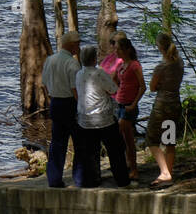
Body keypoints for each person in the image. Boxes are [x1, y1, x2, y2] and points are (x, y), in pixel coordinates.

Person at [74, 45, 131, 187]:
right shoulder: (99, 73)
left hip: (85, 119)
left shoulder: (79, 74)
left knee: (91, 152)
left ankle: (93, 180)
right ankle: (122, 180)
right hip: (103, 118)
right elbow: (113, 89)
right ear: (94, 58)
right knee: (115, 150)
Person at [41, 30, 84, 188]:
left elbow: (44, 83)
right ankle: (79, 178)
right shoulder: (72, 63)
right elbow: (75, 89)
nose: (79, 47)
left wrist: (52, 98)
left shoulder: (50, 60)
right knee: (79, 142)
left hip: (55, 103)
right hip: (70, 104)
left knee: (57, 143)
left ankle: (54, 178)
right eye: (78, 44)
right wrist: (82, 107)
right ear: (71, 45)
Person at [147, 33, 185, 188]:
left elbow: (152, 87)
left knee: (151, 138)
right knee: (169, 140)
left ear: (160, 47)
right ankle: (168, 173)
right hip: (175, 103)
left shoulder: (162, 67)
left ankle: (164, 172)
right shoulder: (179, 63)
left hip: (162, 105)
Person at [112, 36, 146, 185]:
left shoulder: (134, 65)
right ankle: (128, 163)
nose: (115, 51)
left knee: (128, 139)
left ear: (126, 49)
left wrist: (133, 104)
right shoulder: (121, 65)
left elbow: (142, 86)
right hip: (119, 105)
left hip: (128, 106)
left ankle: (134, 169)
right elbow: (115, 80)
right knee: (122, 138)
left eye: (118, 48)